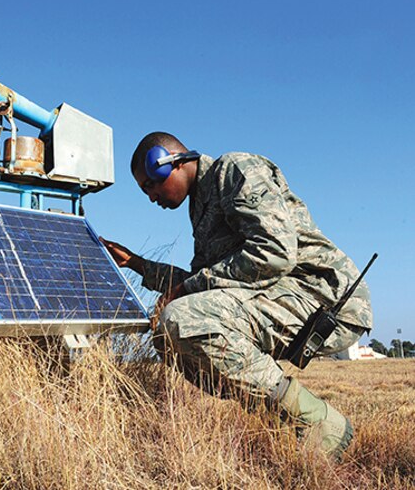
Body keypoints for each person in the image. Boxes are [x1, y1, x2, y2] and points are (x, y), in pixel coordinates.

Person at [100, 132, 372, 459]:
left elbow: (274, 252)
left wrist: (186, 290)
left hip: (320, 296)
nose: (151, 196)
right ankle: (287, 424)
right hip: (278, 297)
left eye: (149, 185)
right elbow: (206, 284)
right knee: (167, 335)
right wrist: (137, 264)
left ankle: (321, 422)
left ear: (165, 163)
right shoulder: (200, 208)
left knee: (180, 317)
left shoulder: (233, 170)